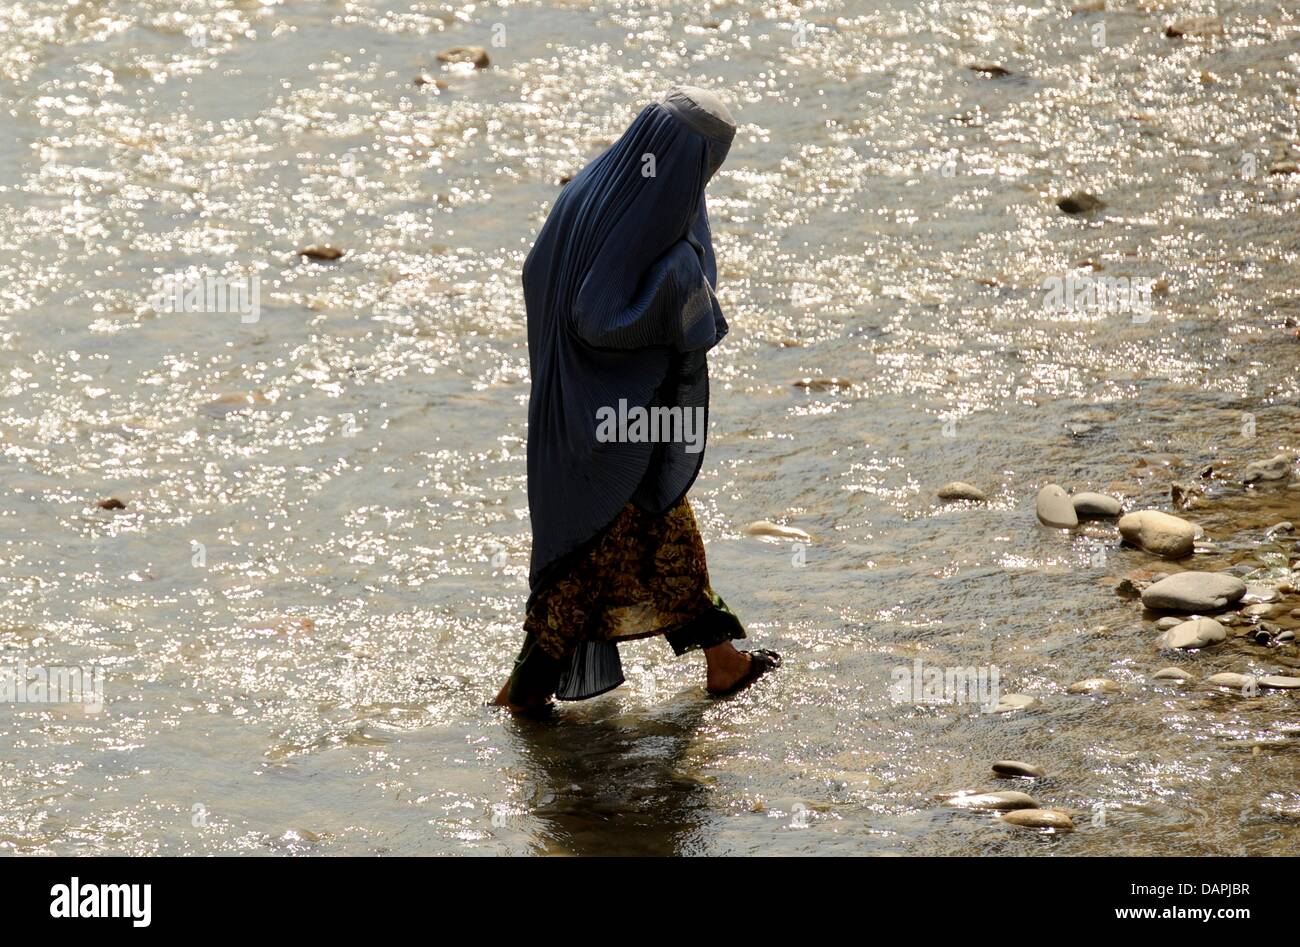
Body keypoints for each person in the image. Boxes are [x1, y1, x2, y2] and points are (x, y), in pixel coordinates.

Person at [493, 86, 781, 714]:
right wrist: (677, 278)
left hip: (581, 411)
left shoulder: (592, 191)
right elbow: (598, 316)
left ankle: (723, 659)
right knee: (585, 557)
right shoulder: (643, 218)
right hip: (604, 427)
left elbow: (537, 275)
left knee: (663, 534)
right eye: (702, 168)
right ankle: (525, 689)